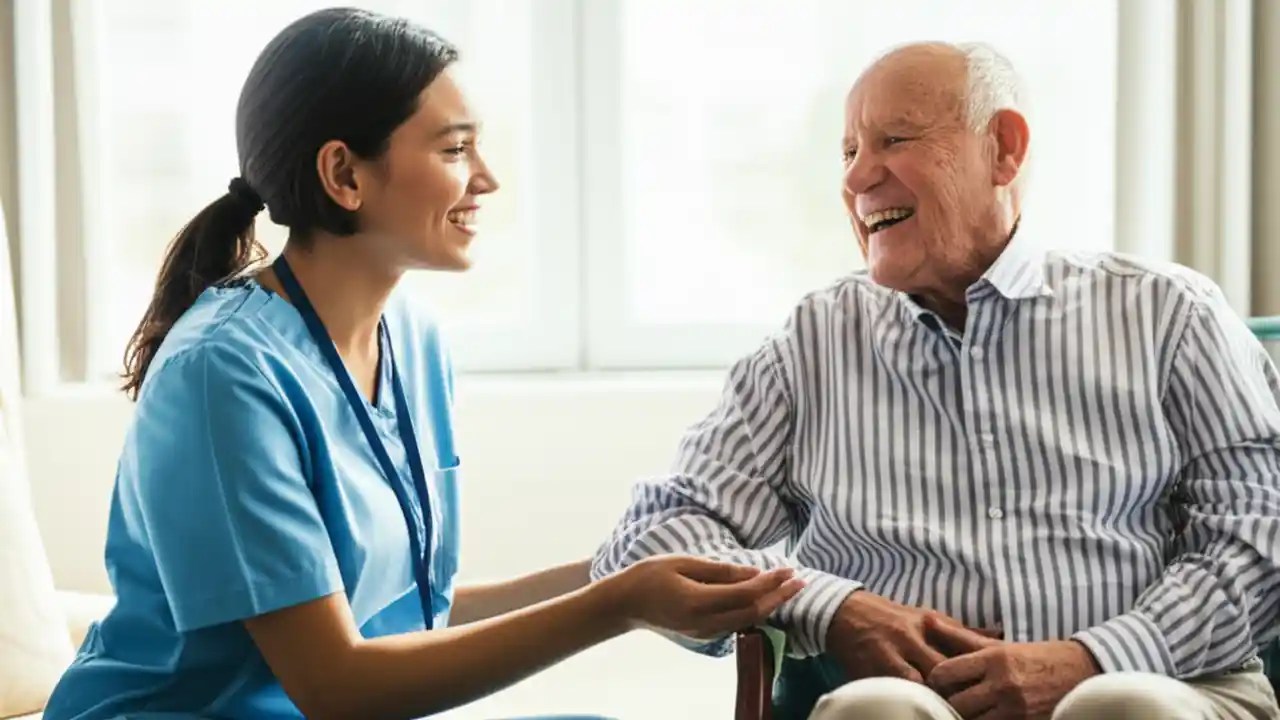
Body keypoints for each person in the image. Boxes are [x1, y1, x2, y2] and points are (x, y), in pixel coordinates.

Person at [42, 9, 805, 720]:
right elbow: (335, 682)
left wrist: (623, 571)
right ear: (344, 175)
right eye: (454, 149)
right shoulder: (221, 374)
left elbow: (412, 612)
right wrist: (617, 605)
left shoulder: (412, 341)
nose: (486, 179)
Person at [591, 41, 1280, 719]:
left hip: (1165, 684)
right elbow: (649, 543)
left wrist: (1095, 658)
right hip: (914, 701)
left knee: (1121, 705)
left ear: (1004, 148)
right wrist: (828, 606)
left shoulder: (1168, 313)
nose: (858, 178)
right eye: (848, 152)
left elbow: (1261, 536)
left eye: (893, 139)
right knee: (878, 710)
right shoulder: (813, 344)